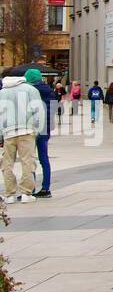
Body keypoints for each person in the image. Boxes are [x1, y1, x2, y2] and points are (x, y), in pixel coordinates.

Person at [0, 69, 45, 203]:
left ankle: (9, 194)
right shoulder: (30, 90)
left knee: (7, 163)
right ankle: (26, 193)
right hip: (26, 131)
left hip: (8, 132)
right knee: (27, 162)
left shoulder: (2, 92)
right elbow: (39, 111)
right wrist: (37, 130)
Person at [30, 69, 57, 197]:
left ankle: (30, 189)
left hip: (33, 128)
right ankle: (46, 188)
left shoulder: (30, 91)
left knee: (29, 159)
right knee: (44, 158)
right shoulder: (49, 90)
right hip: (45, 128)